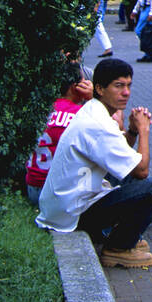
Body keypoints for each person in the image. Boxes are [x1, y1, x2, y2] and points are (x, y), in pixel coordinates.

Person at [36, 58, 152, 269]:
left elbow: (122, 156)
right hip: (72, 216)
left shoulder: (94, 111)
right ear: (99, 88)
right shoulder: (98, 124)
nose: (126, 92)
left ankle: (125, 235)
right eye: (118, 86)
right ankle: (119, 247)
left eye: (128, 86)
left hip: (67, 206)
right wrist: (143, 130)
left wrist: (132, 131)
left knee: (127, 175)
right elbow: (142, 171)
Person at [26, 62, 94, 207]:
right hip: (61, 194)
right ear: (75, 87)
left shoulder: (40, 110)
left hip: (33, 188)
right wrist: (93, 100)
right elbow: (115, 130)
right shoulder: (80, 114)